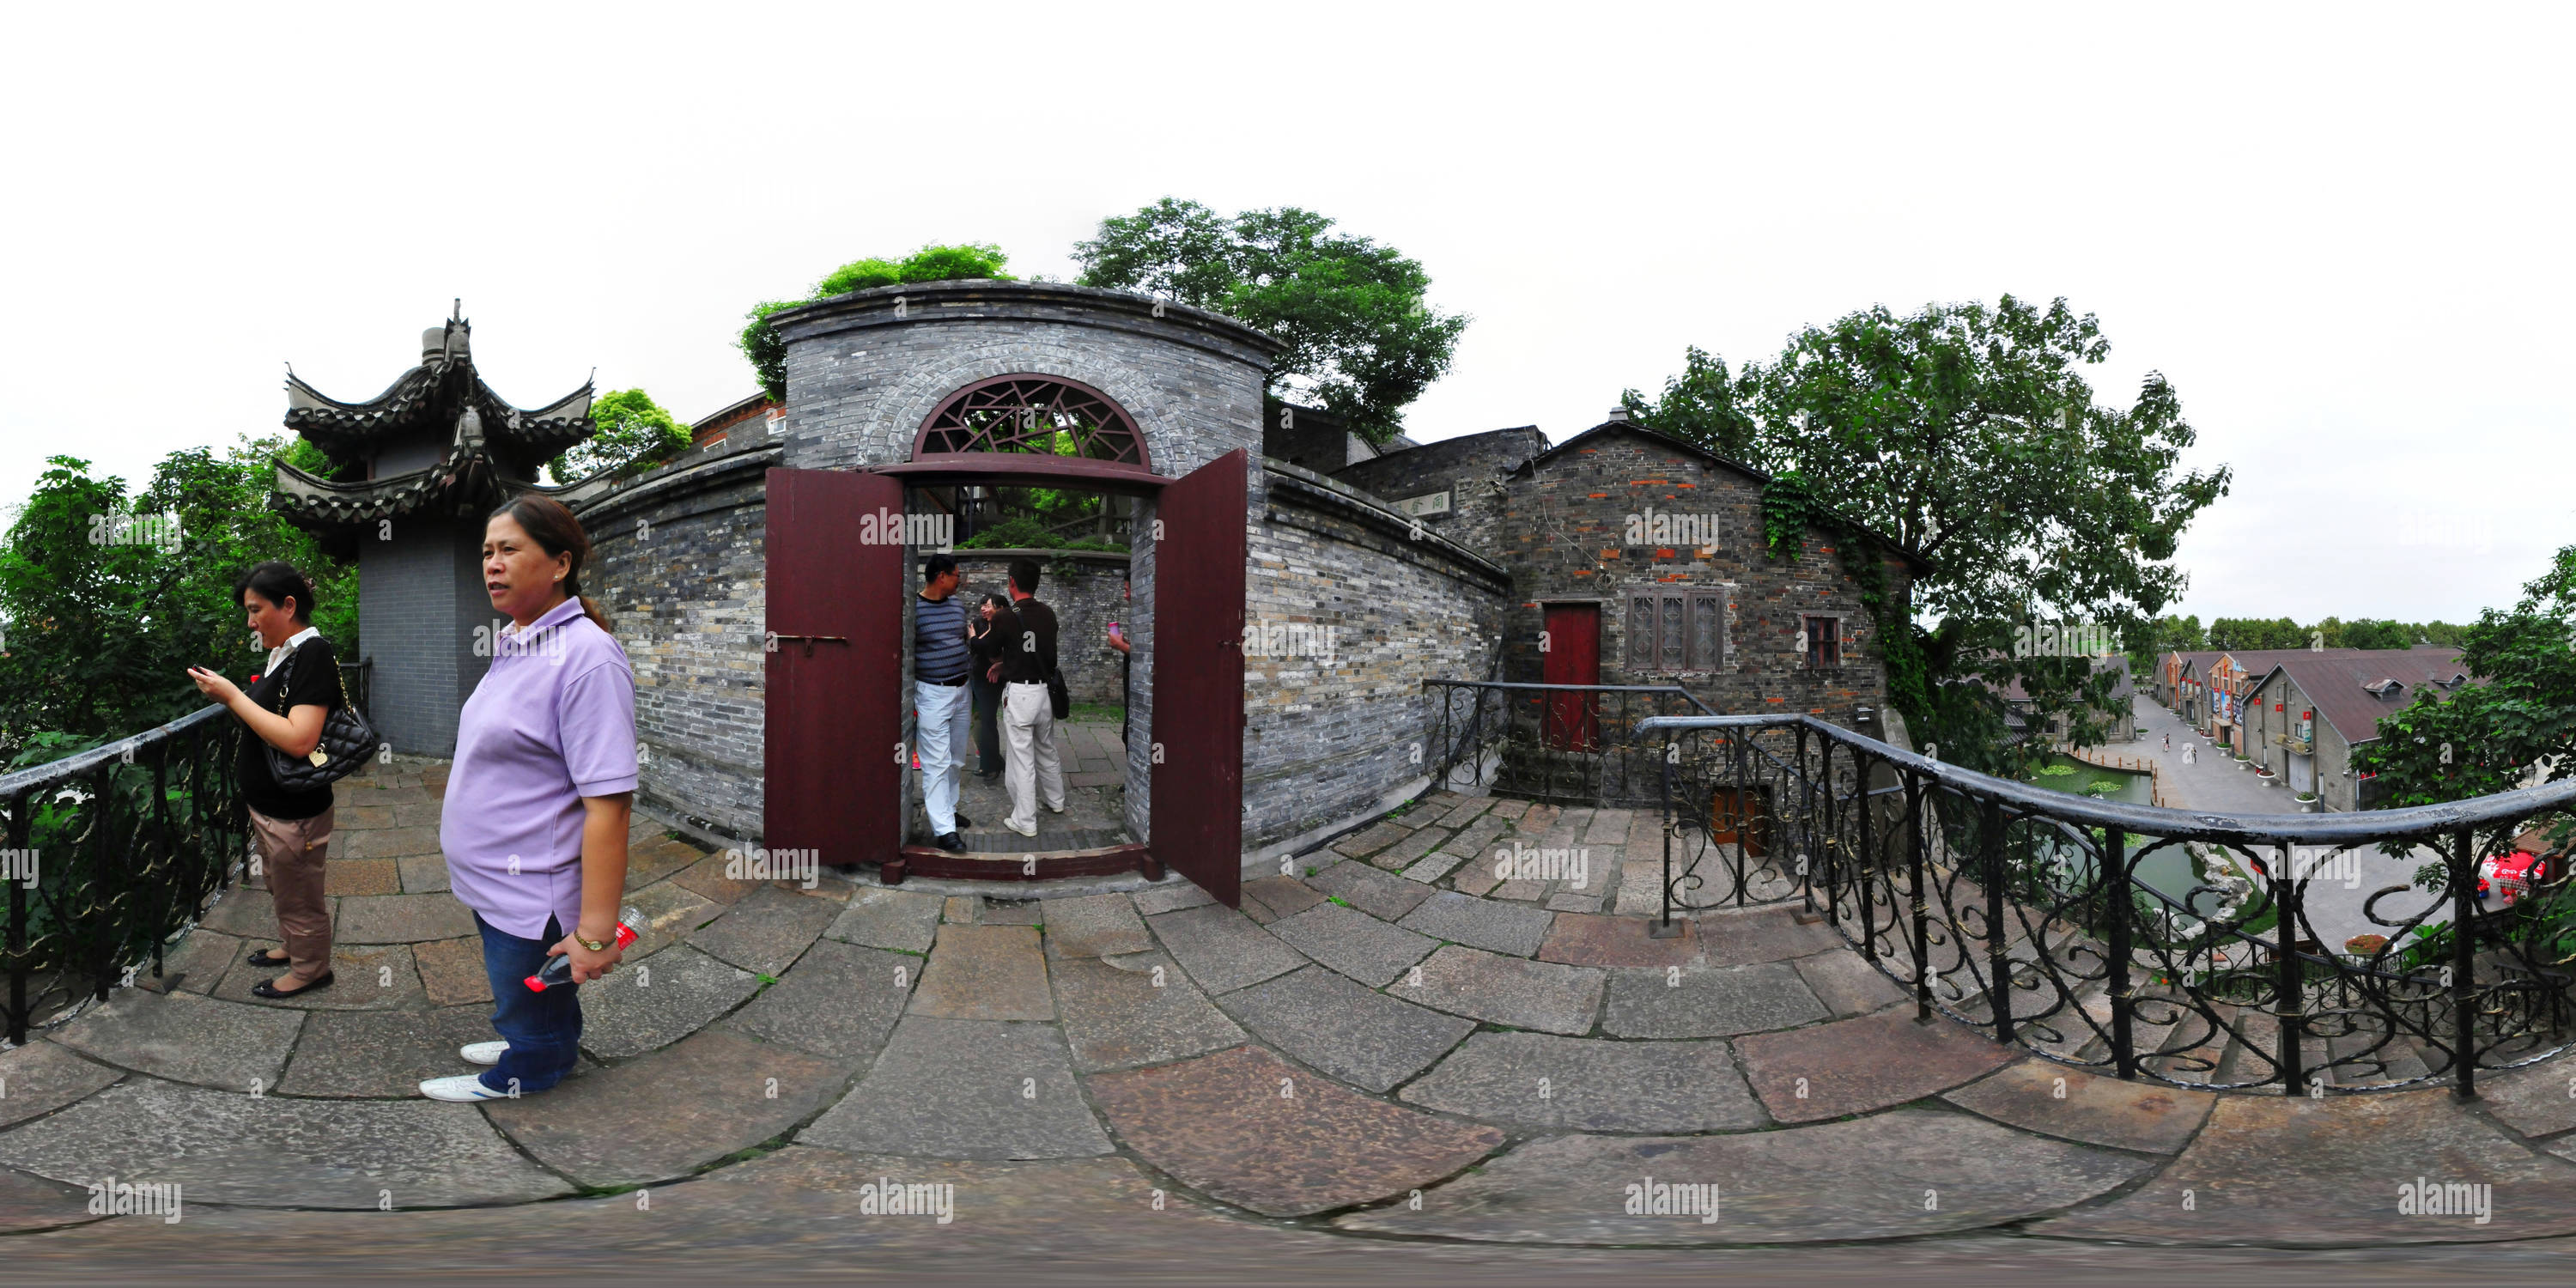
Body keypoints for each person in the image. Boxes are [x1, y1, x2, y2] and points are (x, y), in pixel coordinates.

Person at [418, 494, 635, 1103]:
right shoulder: (517, 642)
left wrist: (595, 932)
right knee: (534, 988)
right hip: (498, 875)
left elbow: (610, 804)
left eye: (509, 549)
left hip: (531, 886)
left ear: (560, 563)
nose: (492, 563)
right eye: (487, 551)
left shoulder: (587, 657)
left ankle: (528, 1069)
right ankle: (546, 1043)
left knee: (525, 992)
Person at [185, 562, 343, 999]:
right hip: (272, 804)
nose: (250, 622)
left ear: (288, 605)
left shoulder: (312, 653)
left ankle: (312, 969)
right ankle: (294, 947)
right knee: (282, 883)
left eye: (256, 610)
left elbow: (300, 739)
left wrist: (232, 695)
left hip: (296, 807)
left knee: (300, 892)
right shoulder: (284, 654)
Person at [996, 557, 1065, 838]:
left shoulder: (1005, 616)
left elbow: (991, 646)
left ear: (1012, 582)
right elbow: (1045, 652)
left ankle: (1025, 820)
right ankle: (1056, 800)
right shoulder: (1049, 614)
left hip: (1021, 695)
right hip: (1044, 693)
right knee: (1046, 748)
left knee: (1022, 757)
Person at [912, 553, 974, 851]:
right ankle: (944, 830)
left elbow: (962, 641)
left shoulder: (957, 606)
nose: (959, 580)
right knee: (936, 763)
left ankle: (948, 808)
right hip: (933, 693)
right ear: (942, 577)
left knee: (956, 758)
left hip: (962, 691)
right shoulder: (914, 609)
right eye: (956, 576)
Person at [968, 592, 1008, 782]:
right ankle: (994, 761)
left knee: (987, 722)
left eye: (987, 605)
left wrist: (976, 639)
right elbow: (977, 647)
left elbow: (985, 646)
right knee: (978, 722)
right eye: (982, 605)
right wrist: (977, 640)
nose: (983, 608)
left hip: (991, 680)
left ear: (1000, 609)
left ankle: (990, 767)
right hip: (975, 676)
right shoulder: (979, 622)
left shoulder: (1005, 626)